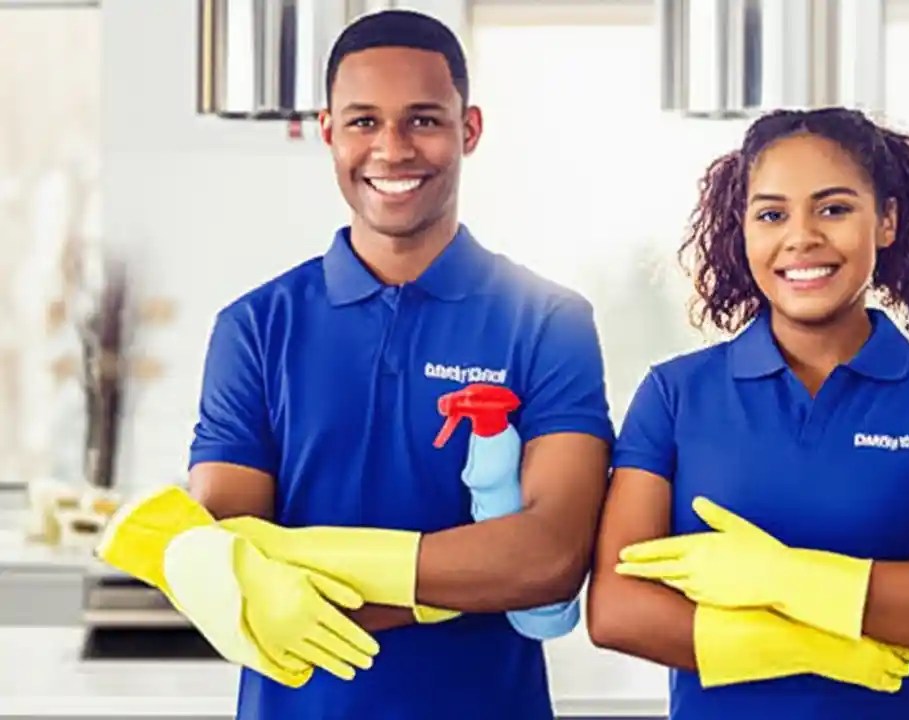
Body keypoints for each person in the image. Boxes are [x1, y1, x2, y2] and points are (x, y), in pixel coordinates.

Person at [100, 9, 613, 720]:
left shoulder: (548, 320)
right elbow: (230, 561)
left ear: (470, 130)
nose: (393, 149)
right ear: (329, 130)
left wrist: (301, 571)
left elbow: (549, 559)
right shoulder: (256, 327)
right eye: (365, 121)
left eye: (424, 120)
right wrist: (461, 576)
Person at [586, 106, 909, 719]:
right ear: (742, 231)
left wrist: (780, 577)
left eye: (834, 208)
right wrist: (807, 645)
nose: (801, 237)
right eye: (772, 214)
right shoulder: (675, 394)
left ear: (887, 222)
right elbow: (616, 609)